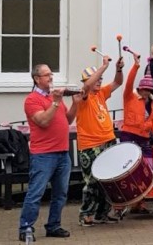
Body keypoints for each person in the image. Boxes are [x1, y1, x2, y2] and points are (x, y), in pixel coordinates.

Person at [18, 64, 80, 242]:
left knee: (60, 193)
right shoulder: (32, 100)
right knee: (36, 193)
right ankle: (25, 227)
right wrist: (55, 102)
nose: (51, 78)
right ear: (37, 79)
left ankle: (53, 226)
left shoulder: (55, 99)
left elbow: (67, 120)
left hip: (62, 153)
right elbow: (43, 121)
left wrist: (75, 104)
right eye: (47, 75)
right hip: (43, 155)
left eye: (51, 75)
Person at [76, 55, 123, 227]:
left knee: (109, 180)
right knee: (92, 182)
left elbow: (118, 82)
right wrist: (103, 67)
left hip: (107, 141)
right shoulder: (83, 96)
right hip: (91, 145)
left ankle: (102, 213)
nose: (99, 82)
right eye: (96, 79)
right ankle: (86, 214)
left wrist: (118, 69)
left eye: (100, 79)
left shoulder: (101, 93)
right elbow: (87, 86)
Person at [120, 51, 153, 214]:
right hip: (129, 136)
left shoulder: (152, 103)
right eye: (144, 89)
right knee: (126, 171)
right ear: (140, 88)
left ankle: (139, 203)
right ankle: (121, 203)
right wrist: (136, 65)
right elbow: (128, 82)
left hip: (144, 138)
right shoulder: (130, 96)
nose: (145, 92)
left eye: (148, 90)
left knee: (142, 172)